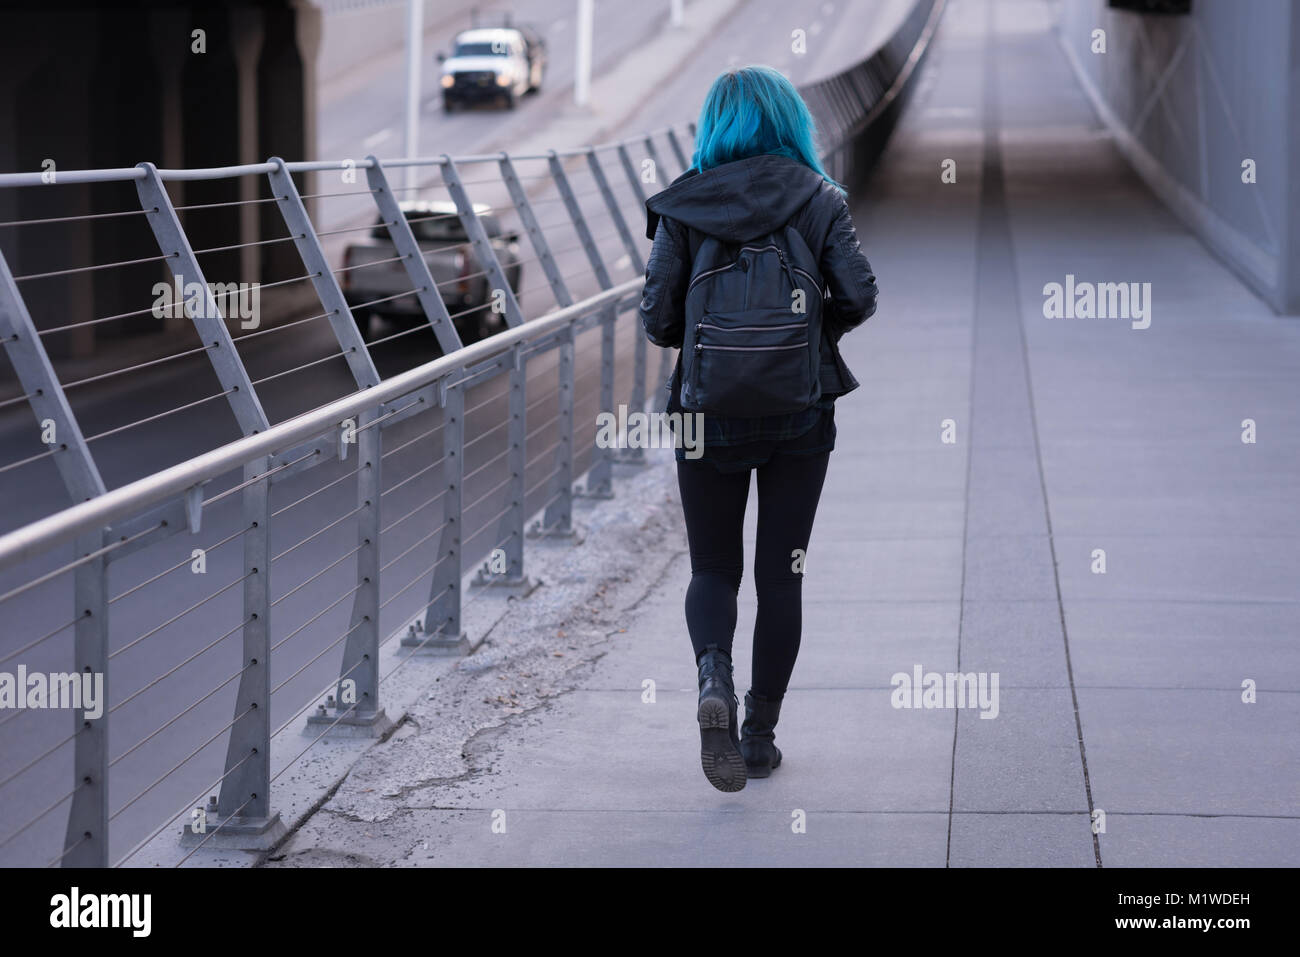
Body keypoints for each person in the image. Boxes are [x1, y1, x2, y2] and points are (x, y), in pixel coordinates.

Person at [637, 65, 879, 792]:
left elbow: (656, 319)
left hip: (704, 416)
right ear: (790, 122)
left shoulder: (683, 206)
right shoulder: (819, 197)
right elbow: (861, 294)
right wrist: (807, 339)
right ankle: (760, 735)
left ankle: (714, 672)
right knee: (783, 574)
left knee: (714, 567)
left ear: (714, 125)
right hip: (799, 413)